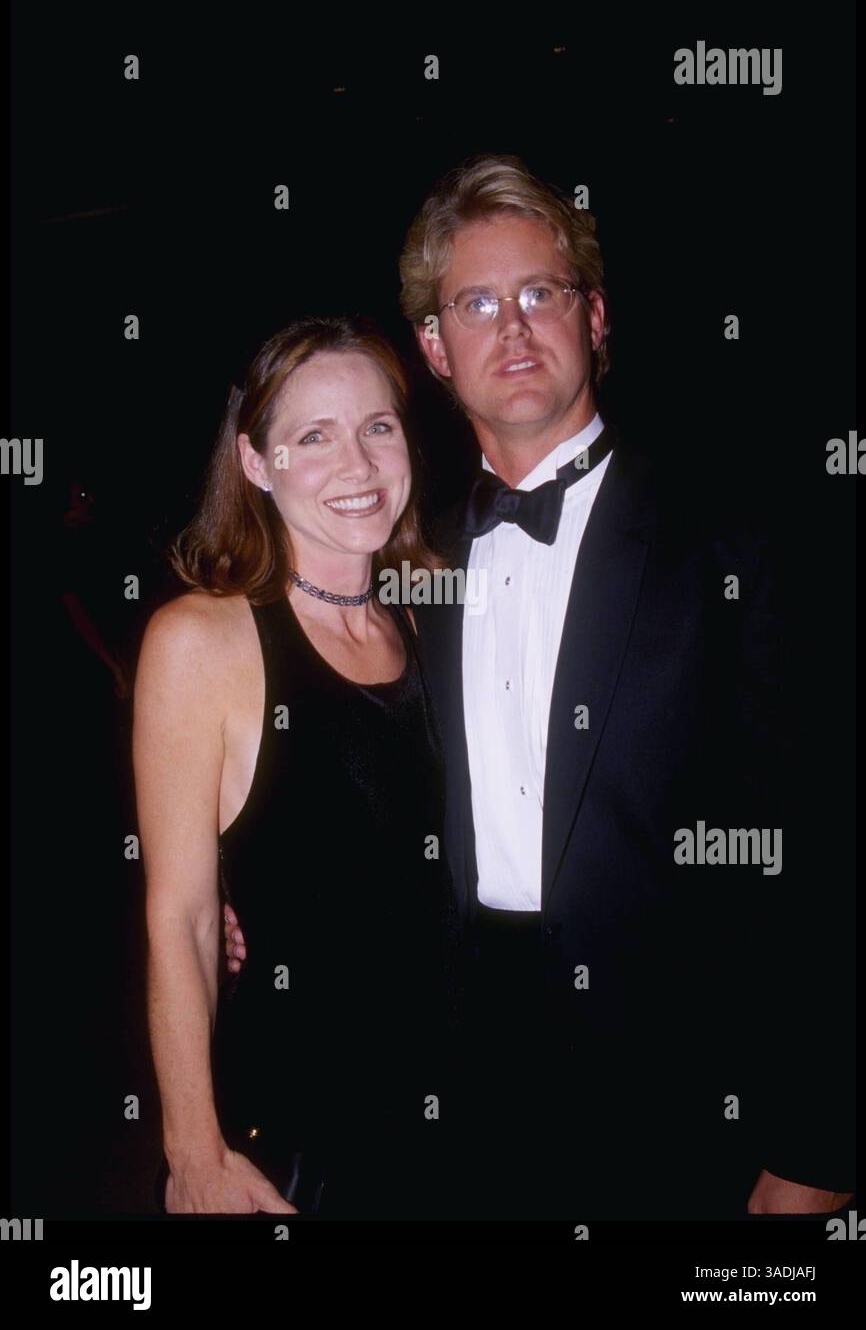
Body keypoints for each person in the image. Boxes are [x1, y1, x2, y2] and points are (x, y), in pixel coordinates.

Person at [226, 154, 854, 1220]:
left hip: (691, 1101)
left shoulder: (734, 533)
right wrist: (266, 888)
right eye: (474, 303)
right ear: (433, 347)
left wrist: (817, 1142)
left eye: (539, 294)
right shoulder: (415, 569)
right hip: (464, 1092)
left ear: (595, 317)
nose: (510, 328)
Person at [136, 316, 463, 1218]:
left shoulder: (437, 620)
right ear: (254, 462)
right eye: (312, 437)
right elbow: (183, 916)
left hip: (469, 1119)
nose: (356, 466)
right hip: (306, 1146)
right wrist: (193, 1152)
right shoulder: (203, 639)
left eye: (377, 427)